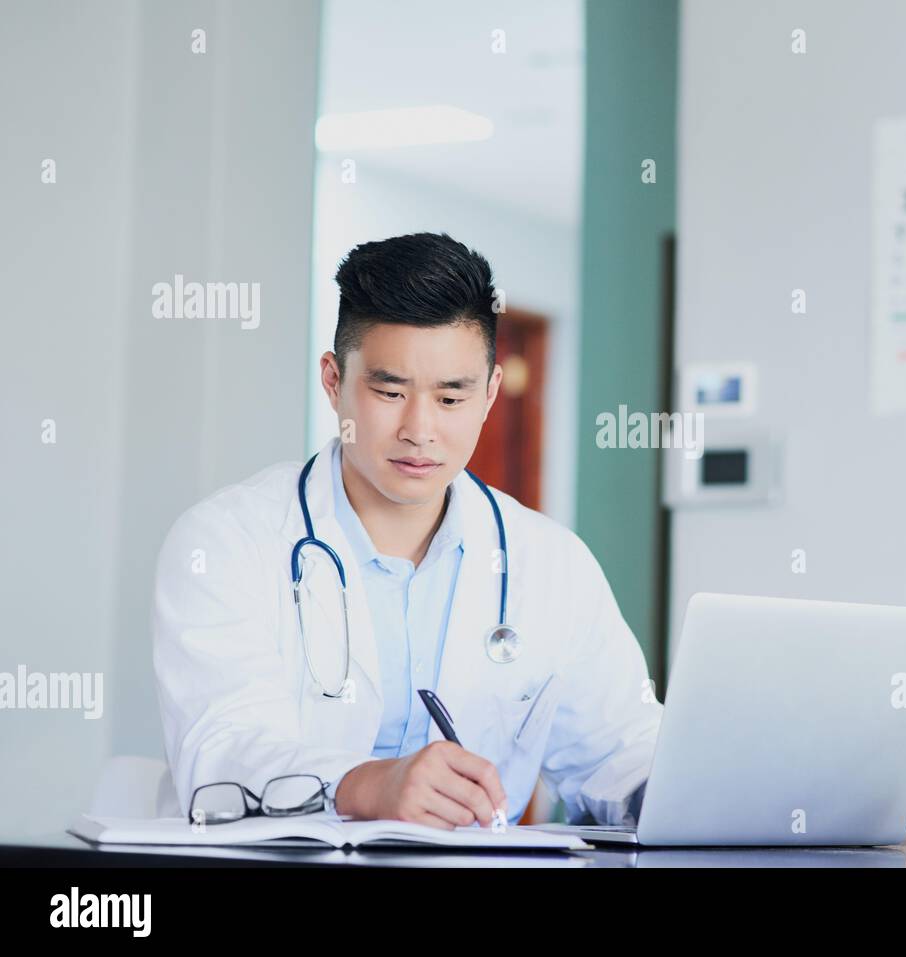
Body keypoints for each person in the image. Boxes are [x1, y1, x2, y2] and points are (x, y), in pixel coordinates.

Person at [152, 232, 663, 829]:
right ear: (333, 380)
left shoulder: (551, 563)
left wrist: (679, 790)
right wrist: (368, 784)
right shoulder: (224, 543)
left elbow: (620, 748)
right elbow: (221, 749)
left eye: (451, 398)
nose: (420, 430)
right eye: (390, 391)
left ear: (491, 393)